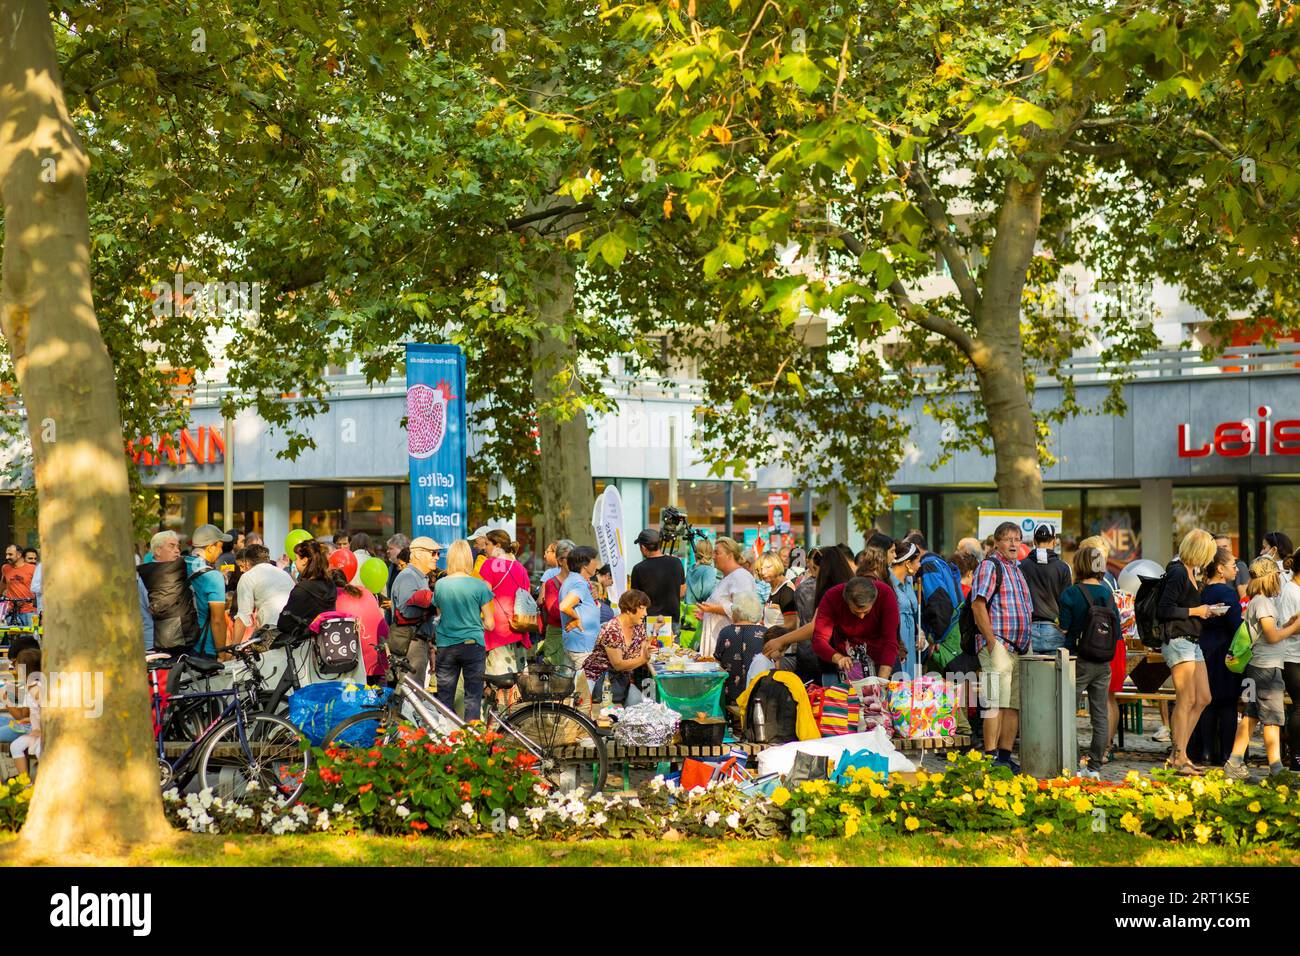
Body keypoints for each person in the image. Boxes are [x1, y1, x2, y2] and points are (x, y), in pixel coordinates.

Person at [1224, 557, 1300, 779]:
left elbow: (1272, 633)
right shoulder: (1264, 603)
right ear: (1269, 578)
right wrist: (1294, 626)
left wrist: (1289, 626)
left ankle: (1234, 763)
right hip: (1266, 669)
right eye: (1276, 577)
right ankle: (1276, 768)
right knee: (1273, 719)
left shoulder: (1258, 601)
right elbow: (1272, 636)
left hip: (1256, 667)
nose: (1279, 581)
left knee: (1252, 716)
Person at [971, 521, 1034, 771]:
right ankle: (989, 756)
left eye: (1017, 539)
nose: (1013, 544)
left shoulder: (1017, 569)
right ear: (997, 542)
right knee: (994, 702)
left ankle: (1005, 758)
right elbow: (978, 604)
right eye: (1008, 539)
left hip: (1018, 647)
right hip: (998, 644)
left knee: (1013, 704)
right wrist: (991, 641)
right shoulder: (990, 565)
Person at [1156, 528, 1218, 776]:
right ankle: (1179, 755)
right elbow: (1164, 609)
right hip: (1178, 640)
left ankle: (1179, 753)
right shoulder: (1178, 573)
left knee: (1203, 697)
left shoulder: (1190, 572)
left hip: (1192, 641)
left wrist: (1205, 610)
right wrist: (1197, 611)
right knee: (1186, 699)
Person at [1058, 545, 1121, 773]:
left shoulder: (1070, 594)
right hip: (1102, 662)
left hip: (1076, 660)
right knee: (1100, 715)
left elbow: (1064, 629)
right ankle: (1095, 766)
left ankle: (1073, 763)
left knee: (1067, 713)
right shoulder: (1107, 593)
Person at [1187, 547, 1244, 767]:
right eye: (1232, 565)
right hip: (1224, 651)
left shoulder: (1201, 591)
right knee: (1227, 704)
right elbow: (1236, 625)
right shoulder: (1227, 593)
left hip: (1203, 650)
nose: (1236, 570)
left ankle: (1206, 751)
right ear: (1220, 569)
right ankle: (1228, 754)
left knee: (1206, 703)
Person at [431, 540, 494, 719]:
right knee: (473, 698)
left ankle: (444, 739)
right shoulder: (480, 586)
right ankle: (471, 741)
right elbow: (490, 624)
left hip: (446, 646)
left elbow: (439, 615)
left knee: (444, 698)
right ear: (469, 559)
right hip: (472, 645)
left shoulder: (441, 585)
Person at [810, 575, 900, 681]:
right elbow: (819, 640)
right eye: (856, 612)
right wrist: (838, 658)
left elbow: (890, 641)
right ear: (847, 602)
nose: (861, 617)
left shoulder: (885, 594)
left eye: (866, 612)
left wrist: (881, 682)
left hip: (884, 662)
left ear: (874, 600)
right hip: (850, 666)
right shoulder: (832, 597)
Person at [583, 589, 653, 707]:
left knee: (639, 704)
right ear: (629, 610)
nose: (646, 613)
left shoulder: (638, 626)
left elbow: (644, 647)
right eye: (642, 608)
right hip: (599, 682)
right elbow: (618, 664)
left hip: (620, 681)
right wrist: (643, 659)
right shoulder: (613, 629)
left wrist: (648, 647)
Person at [388, 536, 443, 686]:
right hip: (412, 643)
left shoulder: (418, 577)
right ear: (418, 554)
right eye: (433, 553)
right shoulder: (408, 577)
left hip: (417, 641)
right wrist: (432, 605)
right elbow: (406, 613)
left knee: (413, 695)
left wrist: (430, 646)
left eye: (438, 553)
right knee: (411, 696)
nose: (437, 557)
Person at [479, 529, 533, 676]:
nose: (485, 548)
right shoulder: (520, 568)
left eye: (488, 544)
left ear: (497, 545)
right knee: (517, 678)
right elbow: (527, 596)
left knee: (499, 678)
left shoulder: (489, 564)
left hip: (497, 629)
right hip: (519, 626)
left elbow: (483, 595)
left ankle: (499, 700)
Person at [695, 537, 756, 658]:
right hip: (719, 645)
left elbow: (744, 611)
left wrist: (713, 610)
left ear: (730, 555)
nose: (713, 556)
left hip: (731, 649)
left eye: (717, 553)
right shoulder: (727, 577)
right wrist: (707, 614)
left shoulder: (740, 576)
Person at [558, 545, 602, 705]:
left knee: (573, 693)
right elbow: (564, 606)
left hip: (576, 643)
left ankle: (570, 725)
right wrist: (576, 619)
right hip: (582, 646)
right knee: (582, 695)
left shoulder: (575, 580)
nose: (597, 563)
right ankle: (578, 727)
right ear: (585, 564)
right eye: (594, 560)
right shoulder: (578, 583)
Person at [1020, 523, 1072, 653]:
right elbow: (1067, 602)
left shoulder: (1021, 566)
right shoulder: (1063, 568)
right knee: (1054, 673)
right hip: (1054, 630)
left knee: (1030, 673)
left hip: (1027, 630)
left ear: (1033, 541)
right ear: (1054, 541)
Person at [229, 543, 294, 645]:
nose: (241, 570)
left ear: (246, 562)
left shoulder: (248, 577)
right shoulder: (284, 573)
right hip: (294, 630)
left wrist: (234, 647)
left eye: (242, 566)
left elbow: (243, 617)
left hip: (273, 631)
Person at [185, 525, 232, 657]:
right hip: (205, 648)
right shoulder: (213, 576)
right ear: (211, 547)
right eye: (220, 546)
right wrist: (222, 654)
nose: (221, 551)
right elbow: (217, 620)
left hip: (182, 644)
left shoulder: (181, 565)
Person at [278, 539, 339, 639]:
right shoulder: (330, 584)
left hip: (304, 647)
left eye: (296, 559)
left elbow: (283, 623)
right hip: (325, 642)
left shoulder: (302, 589)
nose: (295, 563)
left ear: (305, 560)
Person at [716, 592, 769, 704]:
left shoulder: (725, 632)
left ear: (736, 611)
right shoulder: (765, 633)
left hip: (730, 693)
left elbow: (717, 659)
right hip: (757, 693)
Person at [629, 528, 686, 631]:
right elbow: (682, 592)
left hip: (648, 621)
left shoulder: (638, 569)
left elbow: (635, 599)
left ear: (643, 547)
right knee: (672, 646)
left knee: (649, 647)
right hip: (672, 621)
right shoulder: (676, 563)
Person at [1278, 548, 1300, 770]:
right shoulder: (1290, 591)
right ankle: (1296, 759)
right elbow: (1284, 627)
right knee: (1299, 707)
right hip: (1292, 657)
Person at [5, 648, 41, 779]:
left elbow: (48, 709)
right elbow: (35, 710)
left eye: (15, 666)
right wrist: (30, 719)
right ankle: (25, 783)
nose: (13, 670)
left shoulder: (35, 688)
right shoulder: (31, 685)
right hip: (35, 728)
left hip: (42, 733)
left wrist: (41, 729)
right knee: (16, 746)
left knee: (40, 752)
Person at [539, 539, 576, 666]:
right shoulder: (552, 583)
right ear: (560, 560)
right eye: (569, 558)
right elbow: (555, 611)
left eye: (576, 558)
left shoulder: (582, 582)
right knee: (555, 678)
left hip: (578, 637)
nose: (574, 562)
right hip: (557, 636)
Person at [889, 542, 923, 677]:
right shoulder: (888, 582)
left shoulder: (910, 580)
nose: (919, 566)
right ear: (908, 563)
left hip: (911, 638)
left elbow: (912, 609)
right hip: (898, 637)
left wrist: (919, 630)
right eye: (917, 561)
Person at [755, 552, 797, 628]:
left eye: (768, 567)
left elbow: (791, 624)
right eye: (760, 569)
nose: (763, 572)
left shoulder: (786, 590)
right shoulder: (774, 588)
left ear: (777, 565)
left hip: (779, 639)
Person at [2, 545, 36, 627]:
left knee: (30, 638)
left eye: (10, 554)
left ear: (19, 555)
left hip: (29, 611)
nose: (7, 557)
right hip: (11, 612)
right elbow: (2, 585)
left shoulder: (33, 568)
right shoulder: (5, 568)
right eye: (6, 554)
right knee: (14, 638)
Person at [1213, 534, 1250, 602]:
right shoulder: (1213, 565)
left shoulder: (1239, 565)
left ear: (1231, 547)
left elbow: (1244, 597)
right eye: (1218, 547)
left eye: (1225, 546)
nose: (1222, 550)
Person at [685, 538, 720, 607]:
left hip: (687, 611)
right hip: (700, 612)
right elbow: (708, 595)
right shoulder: (708, 570)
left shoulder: (691, 568)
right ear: (710, 552)